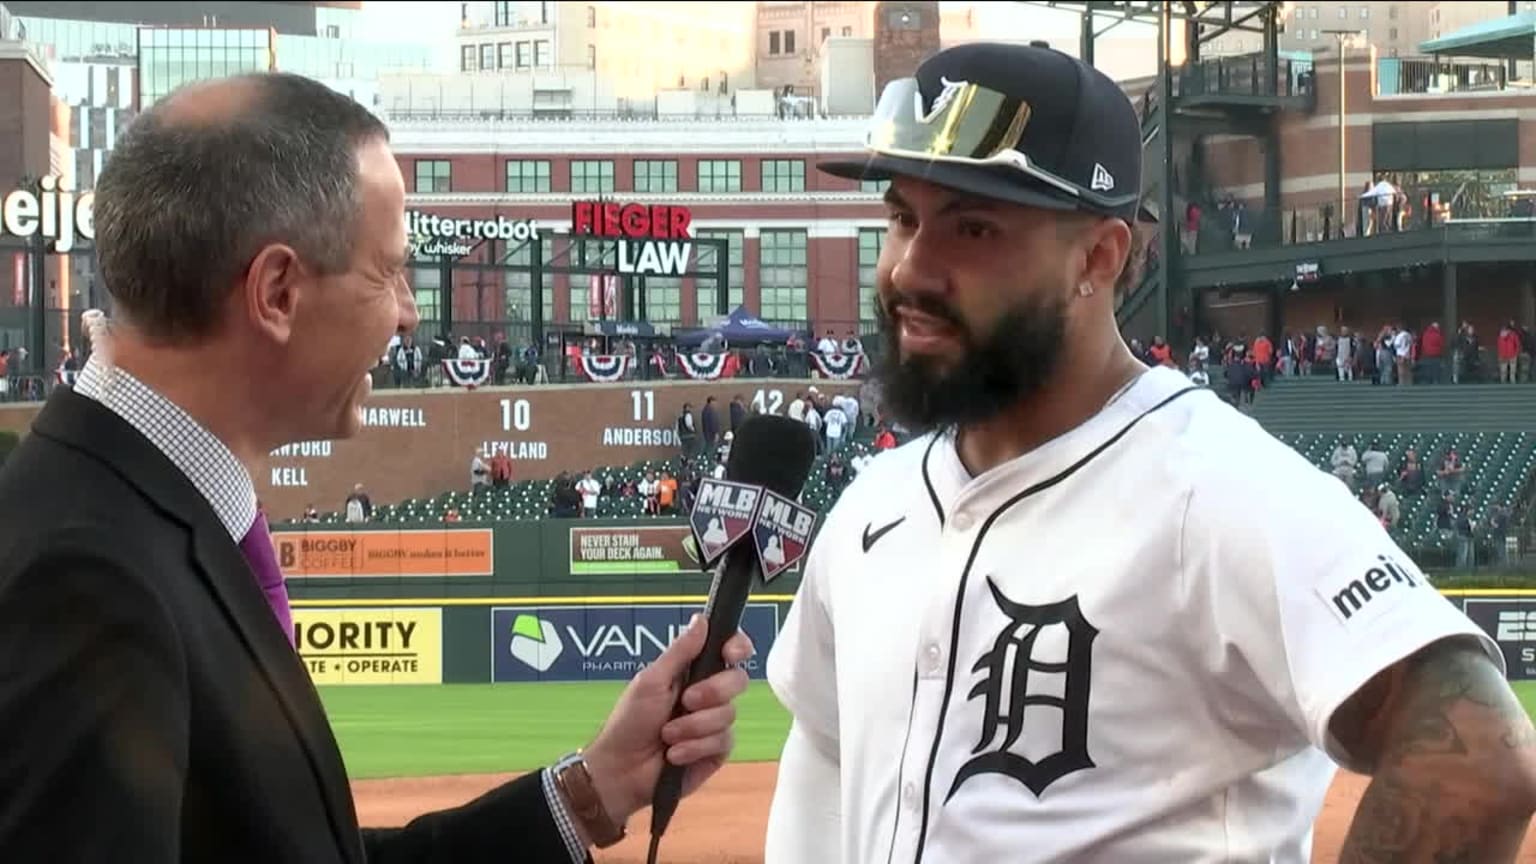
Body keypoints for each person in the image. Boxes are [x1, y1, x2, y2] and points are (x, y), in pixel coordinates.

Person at [763, 43, 1534, 864]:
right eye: (904, 218)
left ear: (1099, 257)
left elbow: (1477, 760)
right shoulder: (872, 506)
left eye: (974, 227)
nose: (911, 268)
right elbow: (826, 755)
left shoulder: (1216, 488)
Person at [0, 73, 752, 862]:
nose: (409, 311)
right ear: (277, 292)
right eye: (388, 271)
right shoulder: (83, 578)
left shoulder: (128, 518)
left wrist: (590, 790)